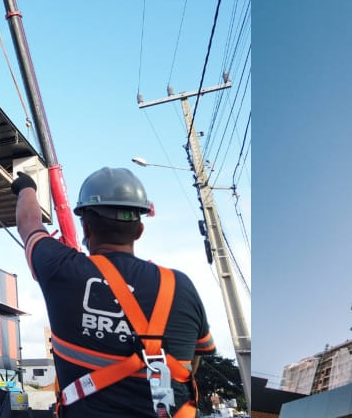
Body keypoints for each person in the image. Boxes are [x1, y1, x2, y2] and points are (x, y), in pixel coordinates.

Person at [12, 168, 216, 417]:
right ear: (139, 231)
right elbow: (194, 361)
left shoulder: (61, 270)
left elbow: (29, 224)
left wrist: (26, 186)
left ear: (86, 228)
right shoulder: (180, 286)